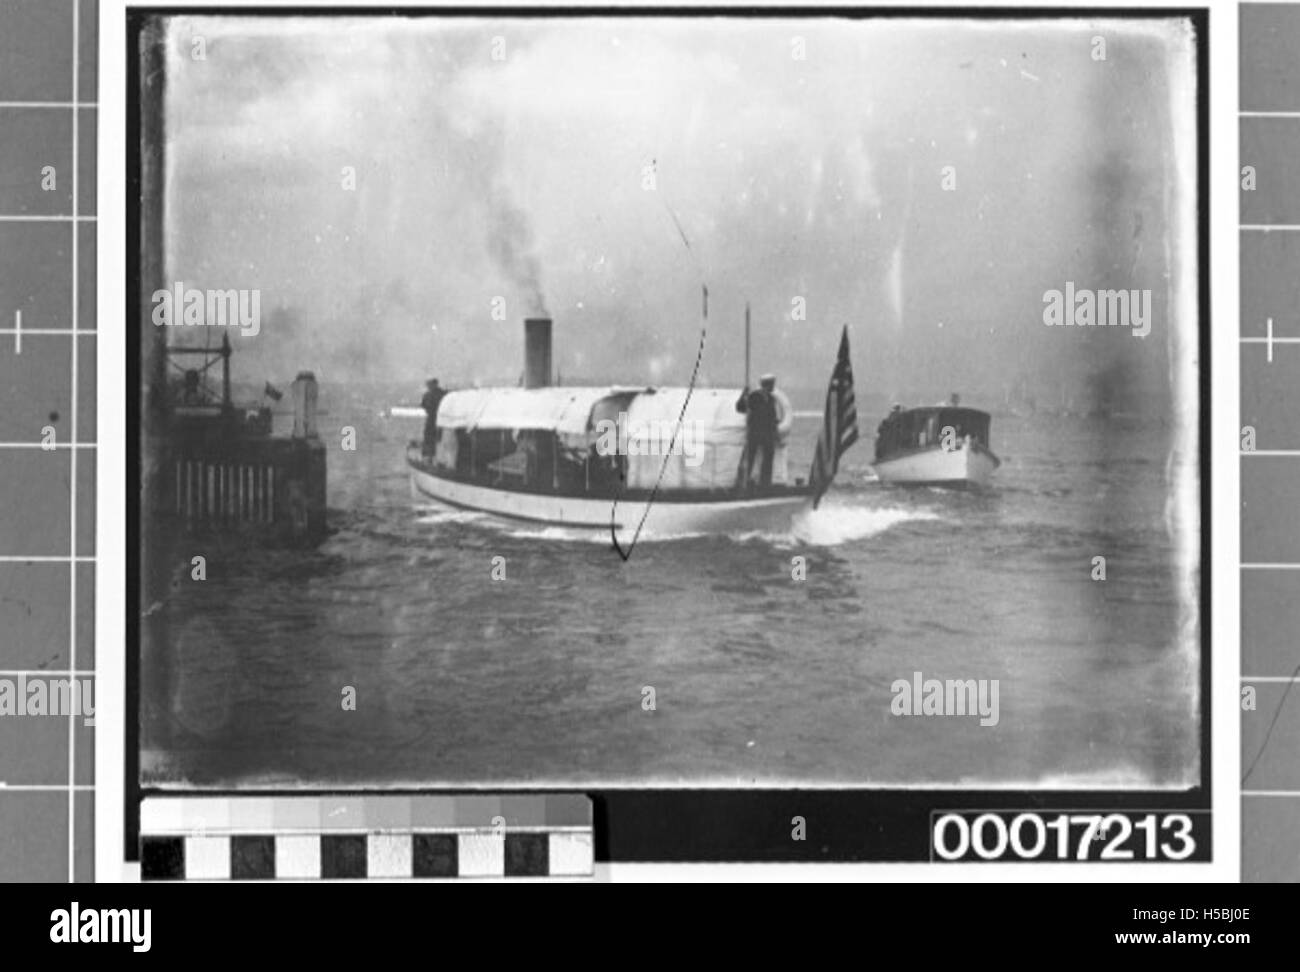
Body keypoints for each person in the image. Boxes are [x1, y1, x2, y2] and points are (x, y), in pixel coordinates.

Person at [736, 373, 781, 488]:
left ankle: (765, 483)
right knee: (749, 457)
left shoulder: (771, 398)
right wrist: (744, 394)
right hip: (755, 431)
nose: (773, 386)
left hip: (767, 432)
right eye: (772, 384)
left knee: (768, 457)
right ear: (767, 384)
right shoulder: (755, 396)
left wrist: (775, 432)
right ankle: (742, 482)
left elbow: (772, 416)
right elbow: (741, 408)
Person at [420, 379, 444, 456]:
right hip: (439, 419)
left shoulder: (427, 395)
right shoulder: (442, 394)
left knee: (430, 437)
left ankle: (429, 456)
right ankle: (433, 456)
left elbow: (423, 405)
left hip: (433, 419)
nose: (428, 386)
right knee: (437, 437)